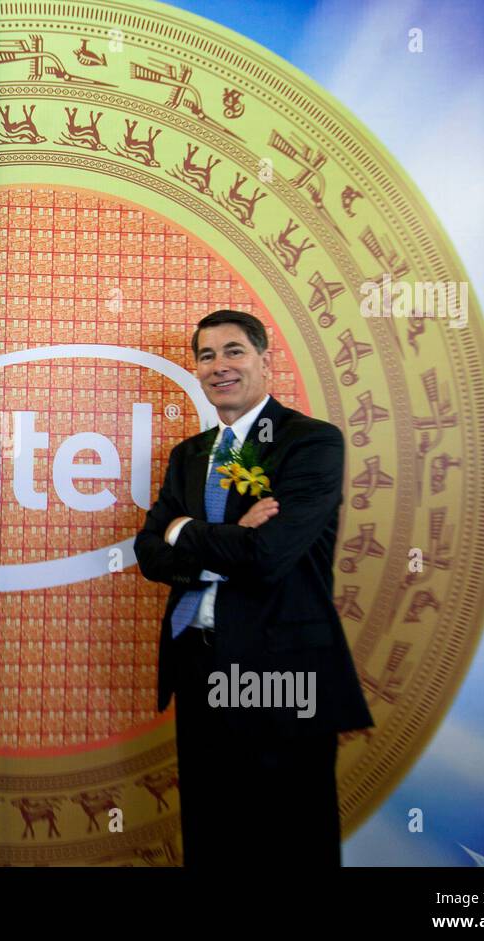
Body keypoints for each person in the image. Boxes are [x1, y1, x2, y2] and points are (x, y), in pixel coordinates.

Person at [133, 309, 374, 867]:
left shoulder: (310, 443)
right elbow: (149, 553)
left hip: (280, 671)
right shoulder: (189, 456)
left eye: (234, 351)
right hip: (198, 663)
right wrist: (222, 538)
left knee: (291, 839)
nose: (220, 366)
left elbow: (268, 557)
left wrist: (185, 531)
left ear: (266, 360)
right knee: (213, 834)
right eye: (207, 355)